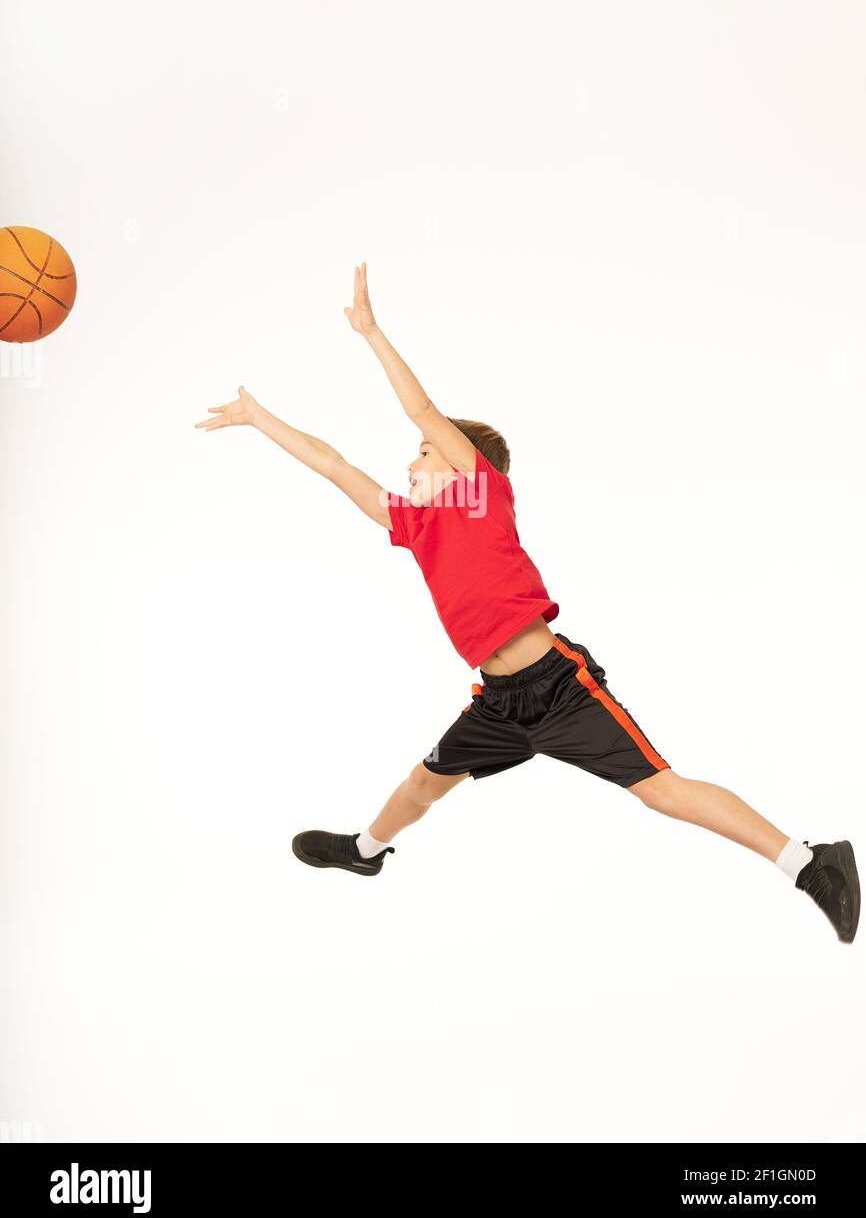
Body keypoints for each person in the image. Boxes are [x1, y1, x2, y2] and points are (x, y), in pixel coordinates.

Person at [195, 263, 859, 944]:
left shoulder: (483, 497)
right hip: (499, 702)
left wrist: (371, 334)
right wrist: (258, 417)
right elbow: (336, 466)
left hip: (558, 690)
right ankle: (364, 852)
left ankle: (811, 864)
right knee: (423, 785)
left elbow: (424, 410)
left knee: (661, 789)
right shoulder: (415, 529)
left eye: (423, 454)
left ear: (461, 464)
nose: (411, 463)